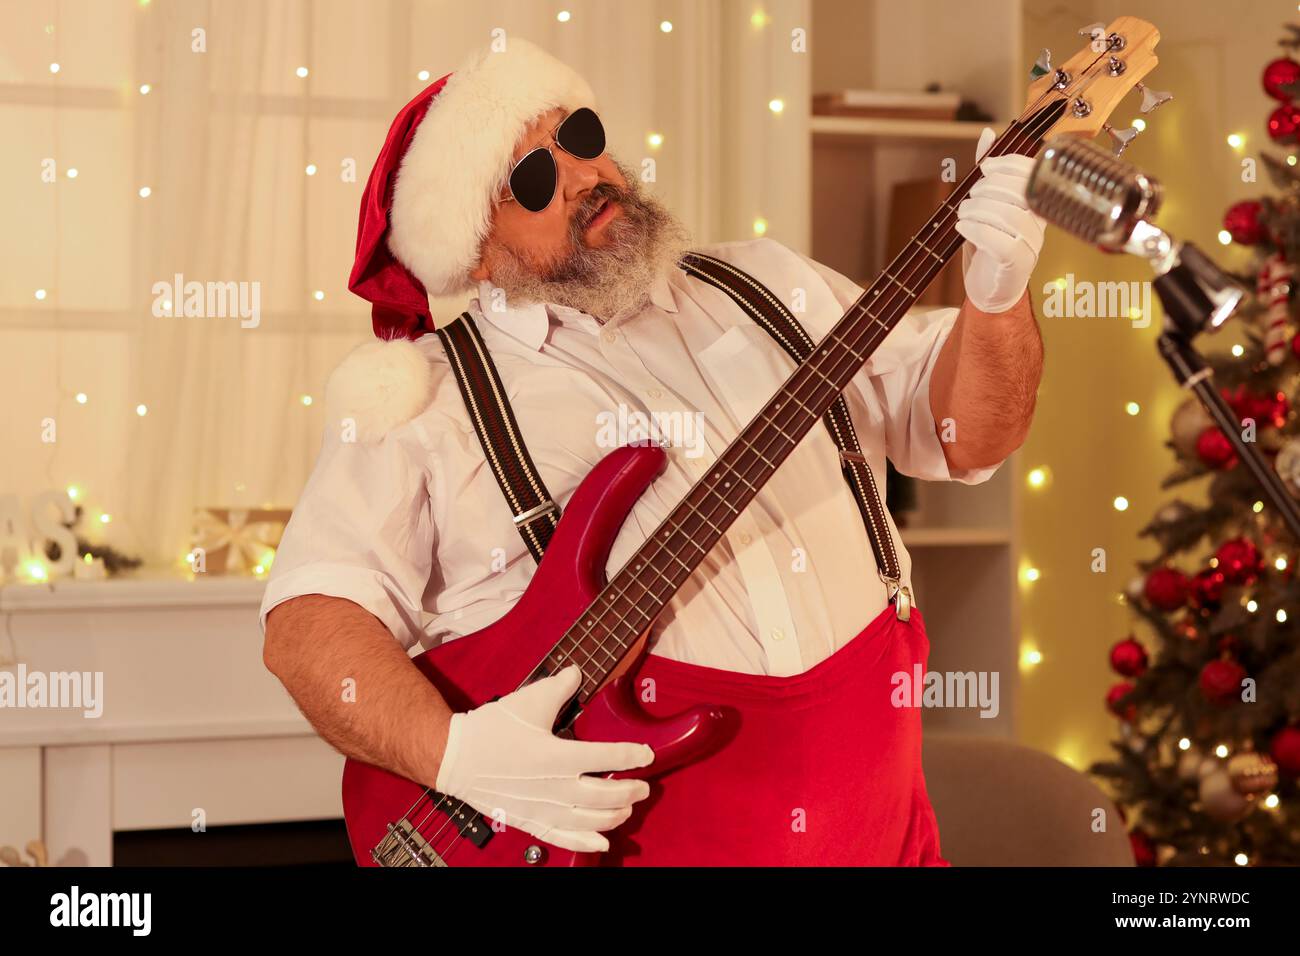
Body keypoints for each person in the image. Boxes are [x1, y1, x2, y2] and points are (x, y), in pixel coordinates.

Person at [261, 36, 1045, 865]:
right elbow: (310, 624)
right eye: (532, 179)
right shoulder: (426, 399)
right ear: (477, 250)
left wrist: (996, 299)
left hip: (882, 829)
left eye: (582, 136)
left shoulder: (770, 284)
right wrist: (456, 756)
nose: (582, 176)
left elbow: (970, 436)